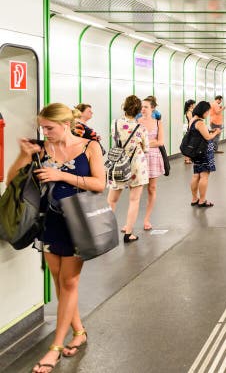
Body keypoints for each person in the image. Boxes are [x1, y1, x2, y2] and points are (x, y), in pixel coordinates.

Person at [6, 104, 105, 373]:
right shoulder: (42, 149)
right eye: (43, 128)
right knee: (60, 281)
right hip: (49, 222)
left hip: (77, 223)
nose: (45, 132)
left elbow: (99, 183)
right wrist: (24, 156)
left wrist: (61, 175)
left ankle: (56, 347)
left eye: (49, 128)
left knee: (69, 282)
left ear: (65, 124)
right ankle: (79, 331)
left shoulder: (90, 147)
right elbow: (12, 180)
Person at [107, 95, 149, 243]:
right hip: (137, 165)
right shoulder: (141, 128)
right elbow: (146, 148)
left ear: (124, 106)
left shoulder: (115, 123)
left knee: (112, 200)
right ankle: (128, 233)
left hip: (118, 163)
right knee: (134, 200)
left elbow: (114, 138)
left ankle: (107, 232)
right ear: (138, 111)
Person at [188, 101, 220, 207]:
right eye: (207, 112)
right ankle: (202, 200)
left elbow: (199, 134)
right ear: (203, 111)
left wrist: (210, 130)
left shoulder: (192, 120)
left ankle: (194, 199)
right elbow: (207, 137)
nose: (208, 114)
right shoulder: (200, 122)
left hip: (196, 150)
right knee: (204, 175)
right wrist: (216, 132)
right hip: (204, 151)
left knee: (196, 175)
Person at [140, 97, 164, 231]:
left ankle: (147, 219)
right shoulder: (137, 122)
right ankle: (130, 221)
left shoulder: (158, 123)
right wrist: (151, 142)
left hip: (153, 158)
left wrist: (144, 143)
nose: (143, 109)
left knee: (151, 188)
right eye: (142, 107)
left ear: (153, 108)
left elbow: (160, 142)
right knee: (137, 189)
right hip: (139, 158)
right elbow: (134, 142)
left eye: (146, 107)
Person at [183, 100, 196, 164]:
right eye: (194, 104)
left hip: (192, 129)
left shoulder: (191, 111)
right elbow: (191, 122)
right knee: (189, 145)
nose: (194, 105)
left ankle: (188, 158)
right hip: (191, 129)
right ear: (191, 105)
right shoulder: (189, 112)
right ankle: (187, 159)